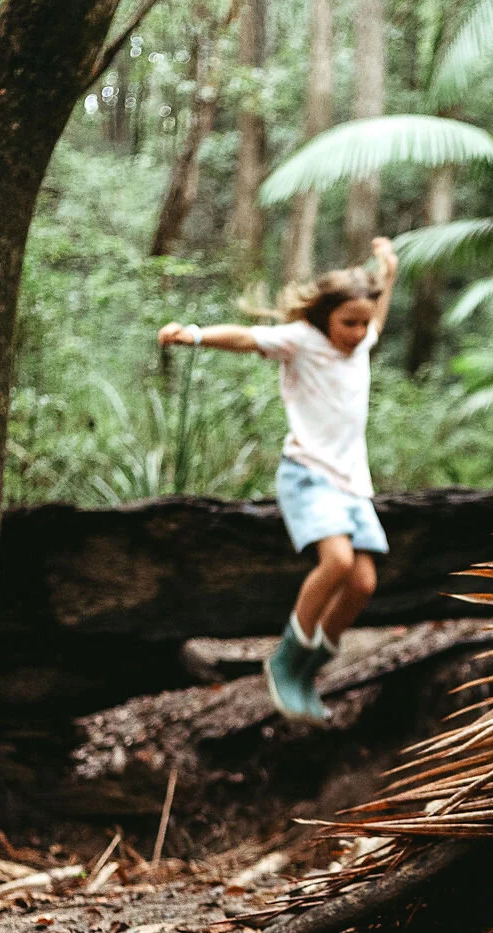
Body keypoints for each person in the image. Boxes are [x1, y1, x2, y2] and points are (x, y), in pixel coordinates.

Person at [159, 238, 398, 724]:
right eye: (347, 322)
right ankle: (286, 661)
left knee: (364, 583)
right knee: (337, 560)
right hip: (308, 473)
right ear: (324, 317)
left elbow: (378, 315)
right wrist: (194, 335)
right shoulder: (301, 341)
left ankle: (310, 668)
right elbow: (247, 338)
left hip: (353, 481)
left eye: (363, 322)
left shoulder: (363, 336)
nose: (357, 333)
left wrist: (386, 274)